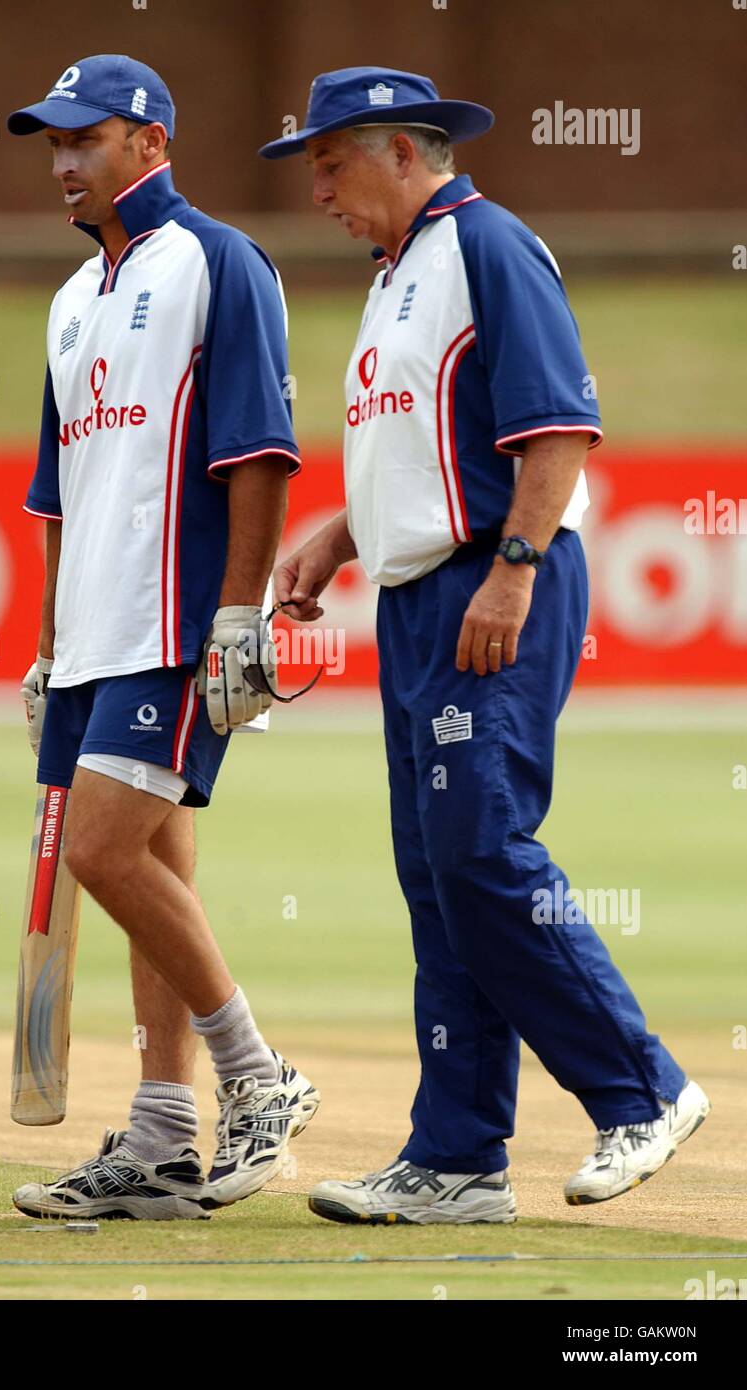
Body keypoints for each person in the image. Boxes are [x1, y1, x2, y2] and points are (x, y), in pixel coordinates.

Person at [263, 67, 709, 1225]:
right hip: (422, 594)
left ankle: (643, 1090)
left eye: (329, 160)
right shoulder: (398, 273)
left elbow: (555, 429)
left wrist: (511, 574)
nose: (315, 187)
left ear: (404, 153)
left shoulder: (487, 247)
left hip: (491, 581)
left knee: (479, 853)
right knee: (437, 878)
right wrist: (341, 530)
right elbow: (424, 446)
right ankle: (458, 1158)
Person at [8, 54, 318, 1221]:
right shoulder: (68, 301)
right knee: (152, 869)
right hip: (89, 636)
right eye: (51, 145)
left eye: (81, 140)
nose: (63, 164)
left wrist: (238, 612)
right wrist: (46, 645)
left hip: (174, 621)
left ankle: (258, 1076)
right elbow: (55, 492)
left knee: (103, 852)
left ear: (149, 140)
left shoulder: (219, 260)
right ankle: (163, 1136)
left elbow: (260, 445)